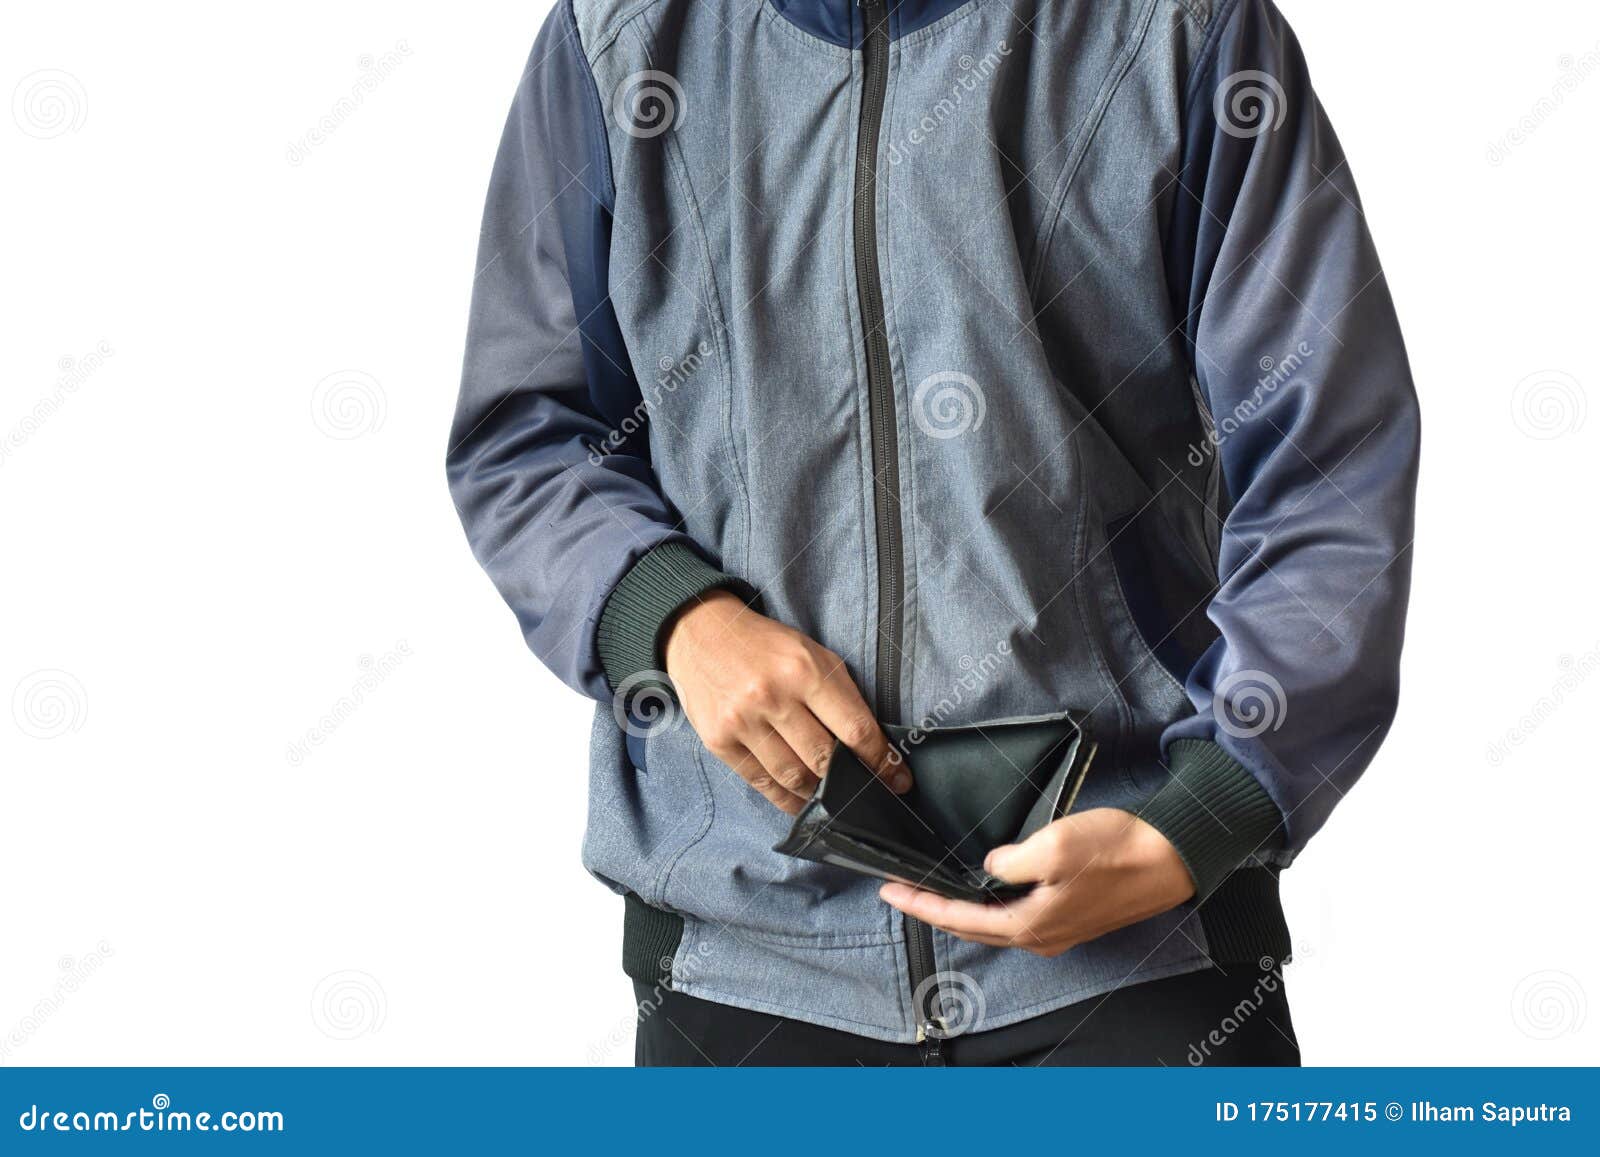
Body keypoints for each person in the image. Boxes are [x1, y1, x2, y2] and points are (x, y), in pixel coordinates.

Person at [448, 0, 1418, 1066]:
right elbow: (529, 434)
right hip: (746, 960)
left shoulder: (1182, 29)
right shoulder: (617, 39)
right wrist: (673, 619)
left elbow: (1328, 460)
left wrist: (1212, 805)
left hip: (1139, 952)